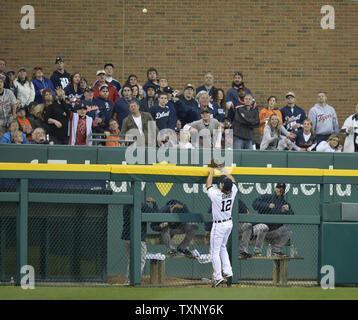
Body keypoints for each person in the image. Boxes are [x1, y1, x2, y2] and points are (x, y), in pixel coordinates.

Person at [206, 168, 238, 287]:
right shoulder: (233, 190)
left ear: (222, 187)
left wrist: (211, 174)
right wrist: (224, 171)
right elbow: (233, 180)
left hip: (219, 225)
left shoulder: (217, 195)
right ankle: (228, 272)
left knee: (214, 251)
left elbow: (208, 185)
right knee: (222, 247)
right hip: (228, 223)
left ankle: (218, 277)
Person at [122, 197, 158, 284]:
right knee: (140, 260)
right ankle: (135, 281)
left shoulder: (126, 204)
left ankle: (128, 281)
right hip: (138, 238)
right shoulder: (141, 205)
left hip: (126, 237)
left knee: (131, 260)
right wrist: (154, 203)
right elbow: (155, 215)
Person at [252, 183, 293, 257]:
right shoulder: (267, 197)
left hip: (274, 231)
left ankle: (276, 250)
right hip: (262, 230)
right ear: (275, 188)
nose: (279, 189)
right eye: (278, 187)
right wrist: (267, 206)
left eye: (281, 188)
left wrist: (288, 210)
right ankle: (257, 251)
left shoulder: (284, 203)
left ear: (284, 190)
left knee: (288, 231)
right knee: (263, 227)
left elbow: (292, 217)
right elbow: (254, 204)